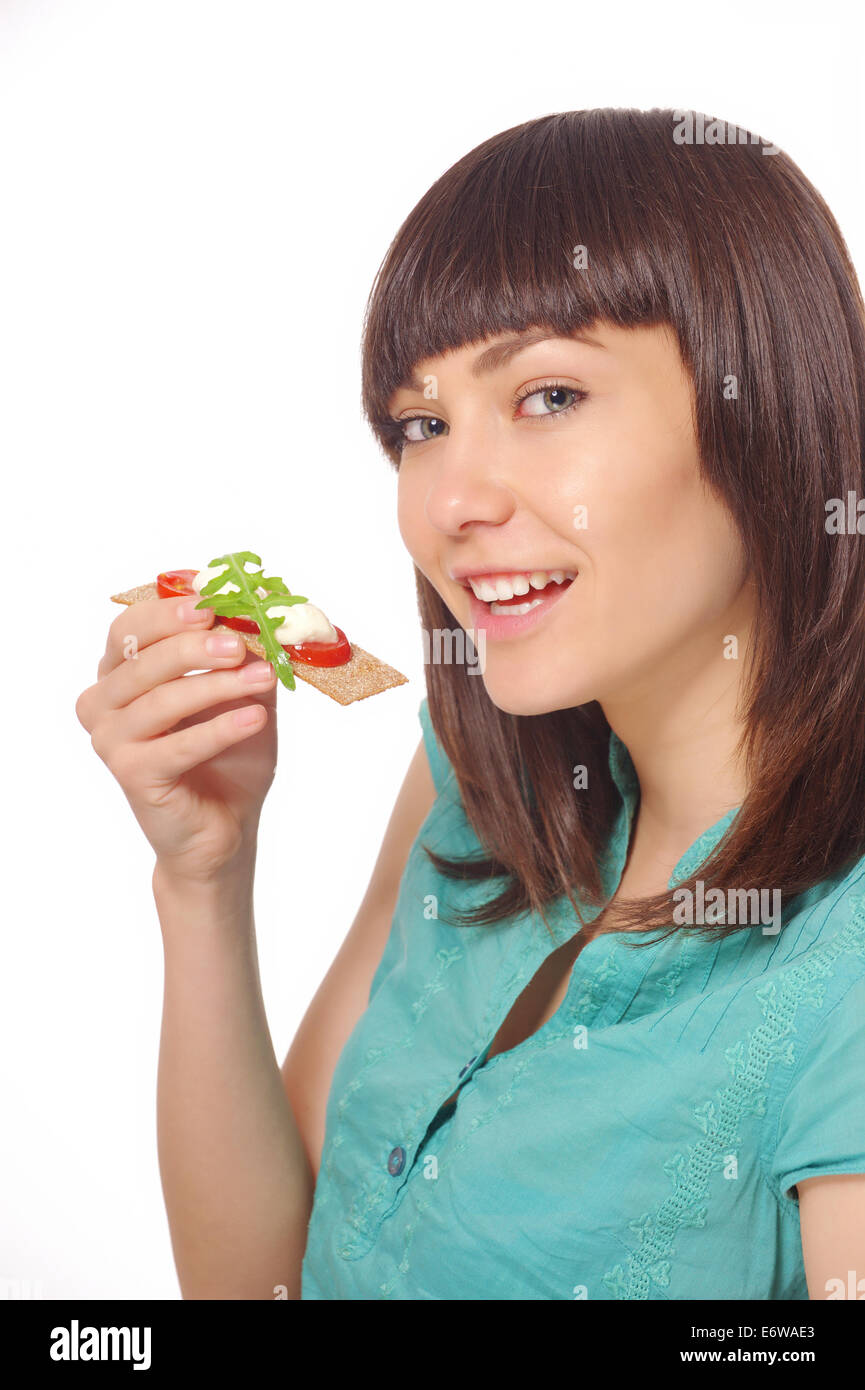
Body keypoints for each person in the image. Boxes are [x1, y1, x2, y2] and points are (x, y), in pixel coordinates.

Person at [76, 107, 865, 1300]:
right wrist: (204, 880)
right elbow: (258, 1288)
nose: (449, 499)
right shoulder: (476, 771)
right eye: (421, 424)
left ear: (768, 408)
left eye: (548, 397)